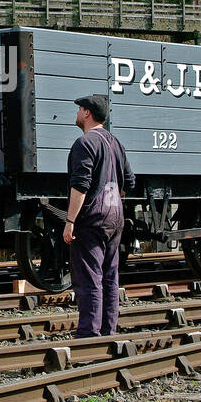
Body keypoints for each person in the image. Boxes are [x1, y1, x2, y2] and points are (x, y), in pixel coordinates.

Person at [62, 93, 134, 337]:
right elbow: (129, 182)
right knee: (110, 277)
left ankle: (89, 333)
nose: (77, 113)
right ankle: (107, 329)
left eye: (79, 109)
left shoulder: (85, 143)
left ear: (87, 113)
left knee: (89, 276)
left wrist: (70, 221)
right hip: (116, 216)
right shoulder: (116, 142)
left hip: (92, 217)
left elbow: (80, 185)